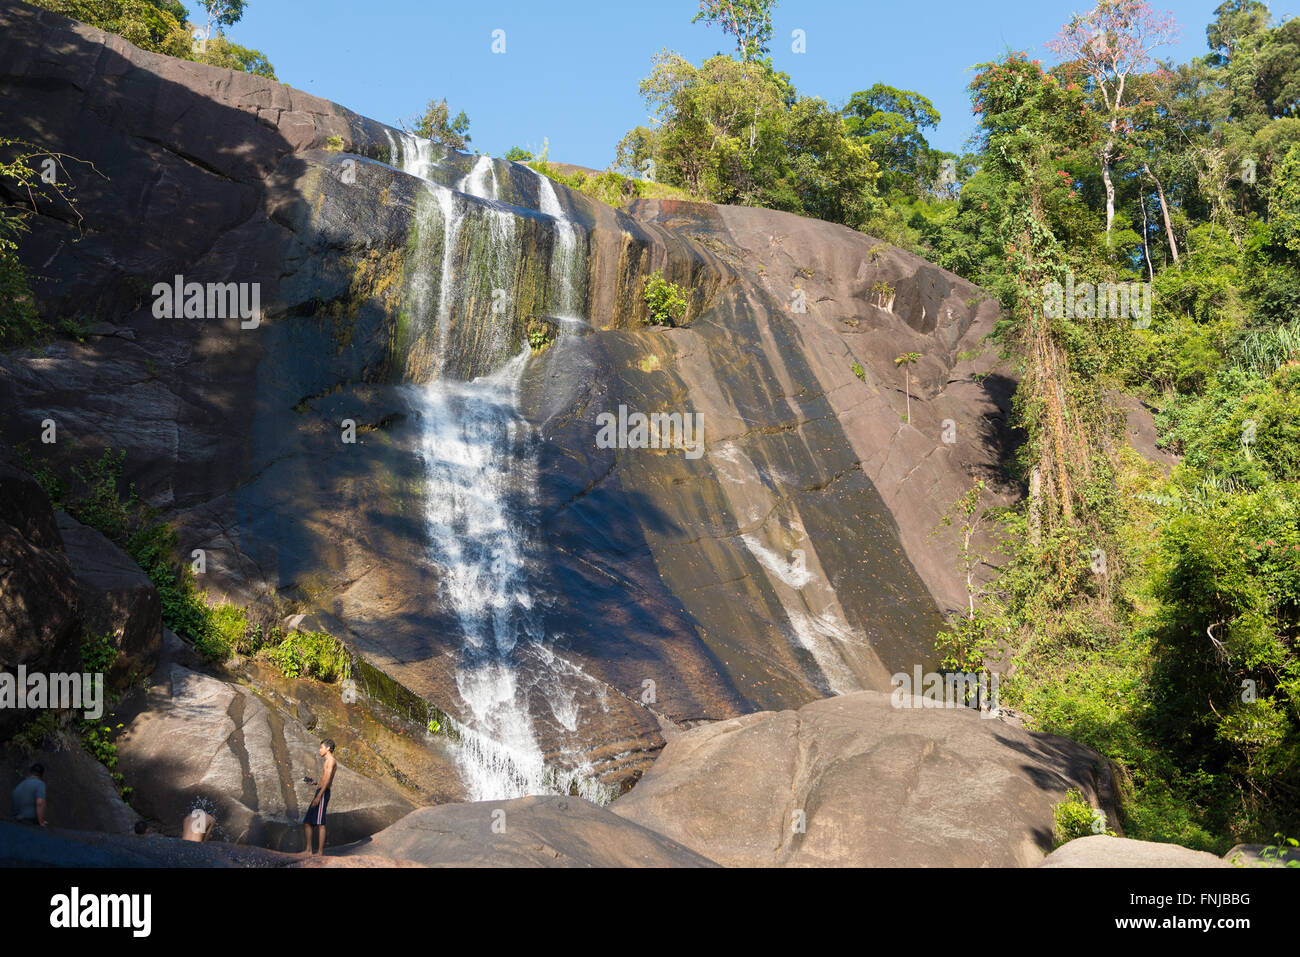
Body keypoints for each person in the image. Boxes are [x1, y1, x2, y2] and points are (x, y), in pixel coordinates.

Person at [301, 738, 336, 856]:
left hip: (323, 793)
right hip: (320, 791)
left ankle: (320, 852)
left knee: (320, 823)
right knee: (307, 822)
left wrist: (318, 796)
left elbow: (327, 781)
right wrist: (315, 783)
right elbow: (324, 779)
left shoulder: (331, 761)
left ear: (328, 748)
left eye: (321, 747)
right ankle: (308, 850)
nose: (319, 750)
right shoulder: (326, 761)